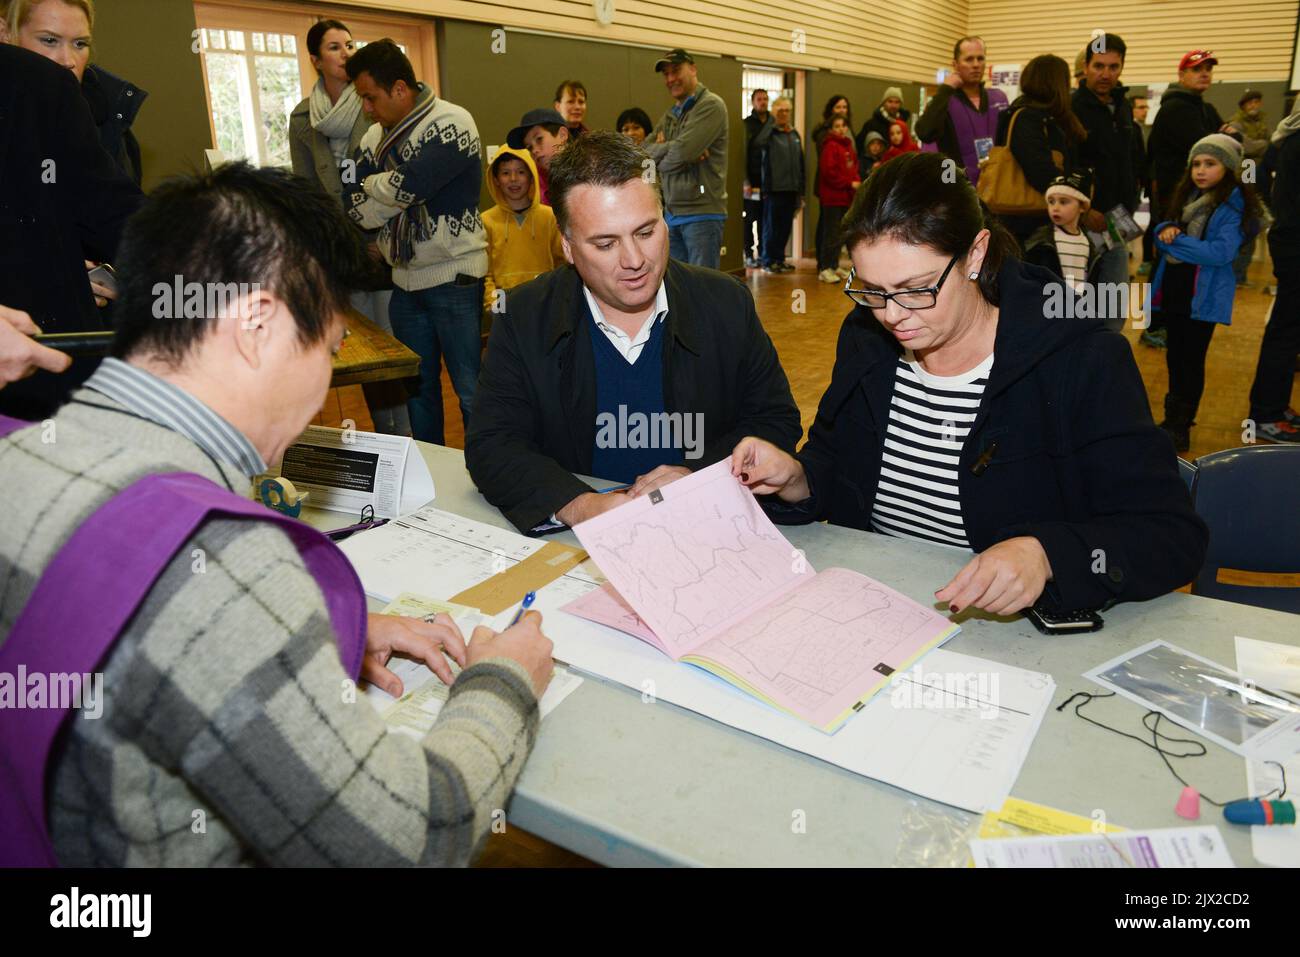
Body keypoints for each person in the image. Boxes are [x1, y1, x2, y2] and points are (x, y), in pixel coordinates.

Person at [0, 163, 556, 866]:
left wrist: (299, 634)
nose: (324, 381)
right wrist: (502, 680)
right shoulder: (219, 561)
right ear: (258, 324)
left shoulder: (23, 458)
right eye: (326, 349)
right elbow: (410, 836)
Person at [730, 152, 1207, 617]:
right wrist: (798, 480)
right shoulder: (866, 338)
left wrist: (1046, 555)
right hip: (873, 611)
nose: (892, 314)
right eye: (872, 290)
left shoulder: (1079, 357)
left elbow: (1170, 534)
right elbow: (838, 462)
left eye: (917, 289)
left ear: (975, 254)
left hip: (1010, 640)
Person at [465, 132, 801, 534]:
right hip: (585, 541)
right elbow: (492, 443)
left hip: (705, 525)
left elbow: (774, 419)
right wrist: (582, 506)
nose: (635, 260)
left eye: (646, 232)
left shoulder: (726, 302)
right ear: (568, 248)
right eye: (605, 244)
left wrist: (700, 478)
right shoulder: (523, 316)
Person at [343, 40, 487, 445]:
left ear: (400, 89)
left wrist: (374, 186)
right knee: (418, 392)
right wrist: (390, 195)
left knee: (470, 390)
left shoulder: (454, 122)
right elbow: (352, 204)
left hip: (454, 275)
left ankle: (487, 475)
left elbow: (412, 185)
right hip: (404, 281)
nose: (366, 108)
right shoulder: (370, 139)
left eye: (370, 98)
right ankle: (435, 477)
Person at [0, 43, 141, 420]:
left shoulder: (35, 85)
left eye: (80, 42)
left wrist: (221, 283)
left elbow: (111, 211)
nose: (66, 54)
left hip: (45, 386)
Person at [289, 18, 409, 437]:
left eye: (349, 44)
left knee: (396, 348)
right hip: (342, 250)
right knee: (368, 354)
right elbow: (305, 192)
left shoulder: (374, 101)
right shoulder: (303, 117)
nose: (345, 53)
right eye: (335, 47)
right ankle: (387, 441)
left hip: (385, 243)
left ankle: (410, 440)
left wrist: (381, 239)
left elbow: (397, 177)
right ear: (316, 60)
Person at [1150, 134, 1262, 451]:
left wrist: (1176, 241)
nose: (1201, 170)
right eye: (1197, 164)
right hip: (1176, 290)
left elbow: (1220, 253)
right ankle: (1171, 421)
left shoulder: (1233, 205)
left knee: (1190, 360)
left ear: (1227, 167)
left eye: (1210, 164)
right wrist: (1163, 232)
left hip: (1203, 297)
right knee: (1175, 357)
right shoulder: (1188, 198)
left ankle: (1182, 426)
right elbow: (1162, 233)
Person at [3, 0, 148, 185]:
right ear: (4, 34)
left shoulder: (112, 126)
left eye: (80, 44)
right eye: (49, 40)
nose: (68, 60)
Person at [644, 48, 729, 270]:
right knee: (679, 288)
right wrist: (672, 150)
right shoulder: (672, 114)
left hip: (702, 213)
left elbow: (682, 153)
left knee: (703, 289)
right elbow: (643, 154)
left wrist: (668, 152)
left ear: (692, 69)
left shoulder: (711, 106)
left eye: (676, 71)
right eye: (666, 74)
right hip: (672, 214)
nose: (671, 79)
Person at [1246, 98, 1300, 443]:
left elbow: (1263, 180)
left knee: (1287, 331)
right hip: (1295, 242)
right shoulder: (1295, 142)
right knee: (1286, 331)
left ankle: (1273, 408)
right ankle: (1267, 414)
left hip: (1288, 238)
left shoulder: (1285, 139)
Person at [1073, 33, 1143, 298]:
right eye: (1099, 66)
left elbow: (1129, 158)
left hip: (1118, 218)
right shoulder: (1072, 108)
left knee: (1113, 300)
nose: (1106, 74)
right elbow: (1068, 165)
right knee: (1078, 300)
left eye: (1113, 67)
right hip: (1083, 220)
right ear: (1086, 67)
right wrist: (1084, 209)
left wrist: (1132, 201)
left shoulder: (1123, 106)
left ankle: (1106, 340)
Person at [993, 53, 1085, 248]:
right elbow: (1040, 172)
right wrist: (1075, 195)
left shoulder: (1048, 117)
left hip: (1038, 220)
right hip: (1025, 224)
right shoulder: (1027, 118)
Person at [914, 36, 1009, 186]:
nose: (976, 65)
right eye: (969, 59)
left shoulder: (998, 98)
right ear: (956, 64)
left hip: (993, 186)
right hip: (955, 185)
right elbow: (925, 133)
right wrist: (945, 89)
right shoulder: (944, 100)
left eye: (980, 58)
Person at [482, 146, 563, 316]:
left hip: (544, 301)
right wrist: (495, 305)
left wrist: (557, 300)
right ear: (496, 179)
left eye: (520, 172)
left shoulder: (549, 217)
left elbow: (562, 264)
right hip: (504, 300)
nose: (513, 179)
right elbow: (485, 273)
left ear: (531, 176)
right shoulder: (486, 221)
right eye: (505, 173)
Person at [1023, 171, 1100, 294]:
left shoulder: (1088, 243)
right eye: (1051, 202)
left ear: (1082, 207)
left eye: (1063, 202)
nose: (1055, 208)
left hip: (1079, 308)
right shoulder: (1041, 241)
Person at [753, 97, 805, 273]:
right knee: (771, 227)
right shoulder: (769, 133)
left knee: (785, 228)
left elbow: (801, 163)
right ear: (774, 113)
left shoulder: (794, 134)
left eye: (787, 110)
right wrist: (771, 123)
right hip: (774, 189)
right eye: (780, 110)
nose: (784, 114)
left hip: (792, 189)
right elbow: (758, 144)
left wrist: (801, 190)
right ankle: (768, 261)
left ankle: (780, 259)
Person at [816, 114, 859, 283]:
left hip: (845, 198)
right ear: (831, 129)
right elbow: (829, 173)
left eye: (843, 125)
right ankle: (825, 267)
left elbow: (854, 167)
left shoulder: (848, 146)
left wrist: (854, 181)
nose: (841, 129)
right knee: (830, 234)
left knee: (840, 235)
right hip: (832, 199)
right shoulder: (830, 146)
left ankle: (834, 265)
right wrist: (850, 183)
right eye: (837, 126)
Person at [506, 107, 569, 207]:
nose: (534, 150)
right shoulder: (536, 187)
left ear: (562, 135)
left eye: (539, 139)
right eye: (529, 147)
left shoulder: (592, 172)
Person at [743, 88, 771, 268]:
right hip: (751, 182)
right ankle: (748, 253)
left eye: (765, 99)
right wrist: (745, 181)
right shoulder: (746, 124)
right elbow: (742, 153)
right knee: (749, 219)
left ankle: (763, 253)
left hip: (768, 182)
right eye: (759, 99)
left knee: (765, 220)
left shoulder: (773, 123)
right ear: (753, 102)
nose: (763, 102)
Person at [857, 86, 910, 154]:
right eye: (890, 101)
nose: (893, 105)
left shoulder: (903, 125)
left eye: (897, 102)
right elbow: (860, 147)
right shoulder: (871, 124)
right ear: (883, 103)